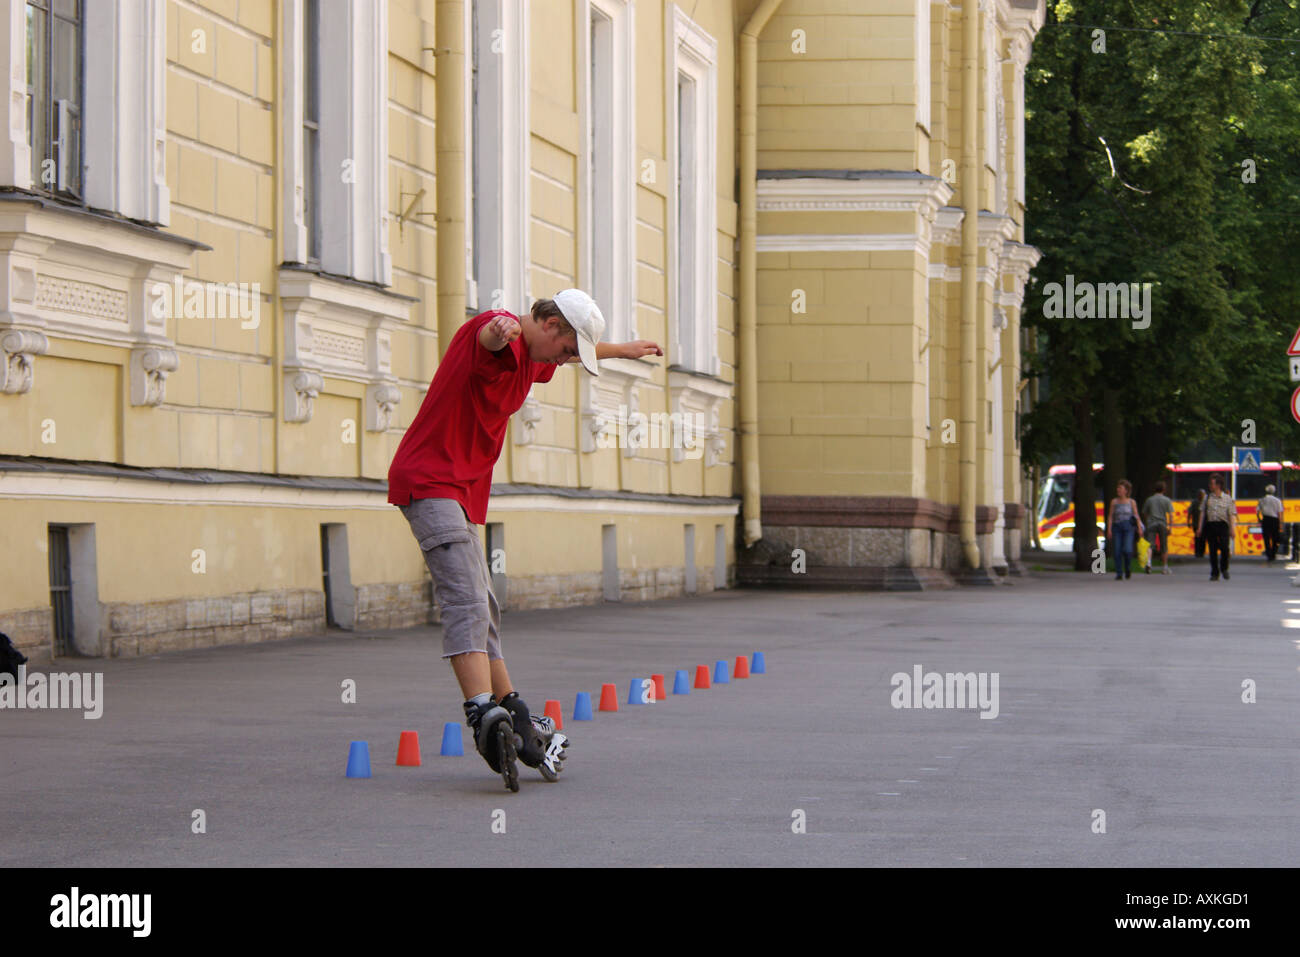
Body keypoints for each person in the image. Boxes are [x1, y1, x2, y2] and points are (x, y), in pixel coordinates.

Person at [387, 290, 663, 791]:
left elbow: (573, 352)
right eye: (564, 349)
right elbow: (492, 333)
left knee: (485, 606)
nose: (564, 361)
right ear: (548, 323)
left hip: (462, 494)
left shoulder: (536, 358)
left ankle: (511, 706)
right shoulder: (499, 338)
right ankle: (479, 711)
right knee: (467, 600)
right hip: (430, 483)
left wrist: (619, 350)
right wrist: (501, 330)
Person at [1198, 473, 1236, 581]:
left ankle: (1224, 568)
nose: (1210, 485)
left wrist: (1232, 529)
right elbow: (1202, 513)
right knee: (1212, 550)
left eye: (1212, 483)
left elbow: (1231, 514)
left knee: (1225, 547)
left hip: (1223, 525)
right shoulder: (1207, 498)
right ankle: (1215, 572)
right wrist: (1200, 528)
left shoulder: (1227, 499)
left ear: (1218, 485)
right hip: (1211, 525)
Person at [1107, 479, 1143, 580]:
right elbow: (1110, 516)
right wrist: (1109, 529)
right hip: (1117, 527)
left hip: (1128, 527)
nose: (1118, 490)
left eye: (1120, 488)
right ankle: (1119, 573)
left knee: (1127, 550)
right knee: (1117, 550)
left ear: (1126, 491)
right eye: (1118, 488)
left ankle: (1127, 568)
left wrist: (1139, 528)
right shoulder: (1114, 502)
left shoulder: (1131, 502)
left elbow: (1136, 516)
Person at [1141, 480, 1174, 574]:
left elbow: (1144, 512)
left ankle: (1149, 563)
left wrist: (1148, 520)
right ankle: (1164, 567)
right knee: (1164, 546)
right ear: (1164, 489)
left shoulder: (1149, 500)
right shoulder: (1167, 500)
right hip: (1162, 524)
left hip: (1151, 523)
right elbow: (1171, 515)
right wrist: (1170, 527)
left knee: (1150, 545)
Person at [1257, 483, 1283, 562]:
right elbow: (1279, 513)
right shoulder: (1277, 501)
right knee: (1276, 538)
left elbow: (1257, 511)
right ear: (1274, 491)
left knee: (1266, 538)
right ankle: (1273, 553)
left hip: (1266, 520)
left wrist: (1259, 519)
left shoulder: (1262, 500)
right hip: (1275, 520)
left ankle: (1269, 554)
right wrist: (1280, 524)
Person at [1188, 488, 1207, 557]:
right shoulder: (1194, 502)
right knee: (1197, 538)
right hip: (1196, 523)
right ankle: (1197, 552)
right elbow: (1190, 512)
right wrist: (1189, 521)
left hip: (1204, 524)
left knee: (1203, 538)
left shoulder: (1205, 502)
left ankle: (1202, 552)